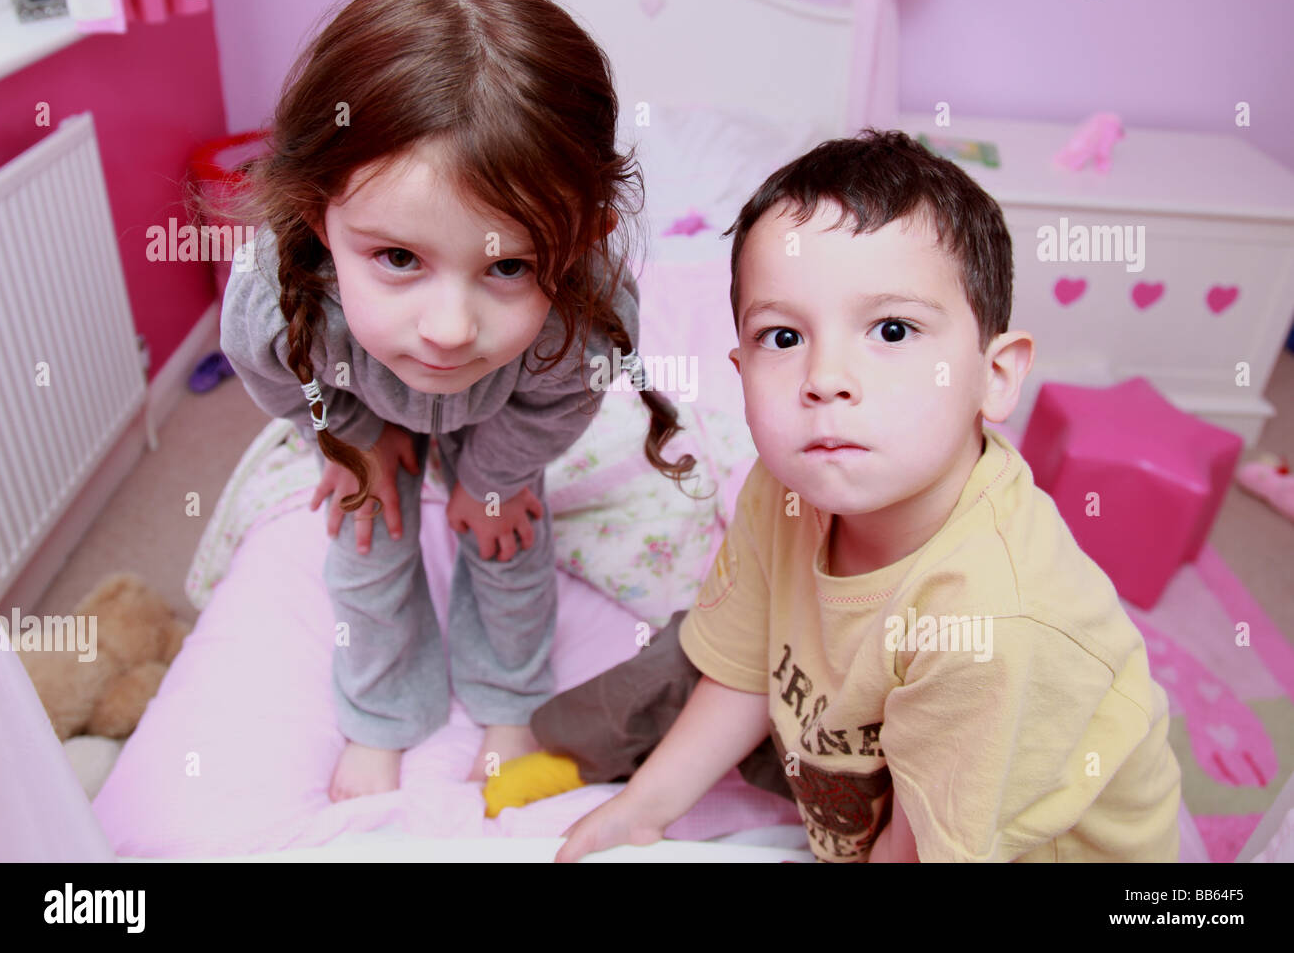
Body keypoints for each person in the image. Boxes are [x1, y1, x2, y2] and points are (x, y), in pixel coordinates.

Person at [502, 129, 1181, 862]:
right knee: (687, 651)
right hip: (859, 747)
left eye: (892, 329)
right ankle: (581, 754)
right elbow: (744, 668)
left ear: (996, 375)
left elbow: (919, 849)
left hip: (996, 838)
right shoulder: (787, 485)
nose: (824, 378)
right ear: (739, 367)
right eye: (783, 337)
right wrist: (639, 814)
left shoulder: (994, 620)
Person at [217, 0, 696, 802]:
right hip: (365, 409)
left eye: (507, 265)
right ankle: (380, 714)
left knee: (508, 540)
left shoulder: (580, 311)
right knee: (366, 543)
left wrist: (494, 479)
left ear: (584, 233)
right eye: (398, 258)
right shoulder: (275, 295)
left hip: (507, 413)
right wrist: (358, 443)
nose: (449, 329)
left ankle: (508, 696)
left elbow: (561, 399)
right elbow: (278, 380)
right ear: (314, 211)